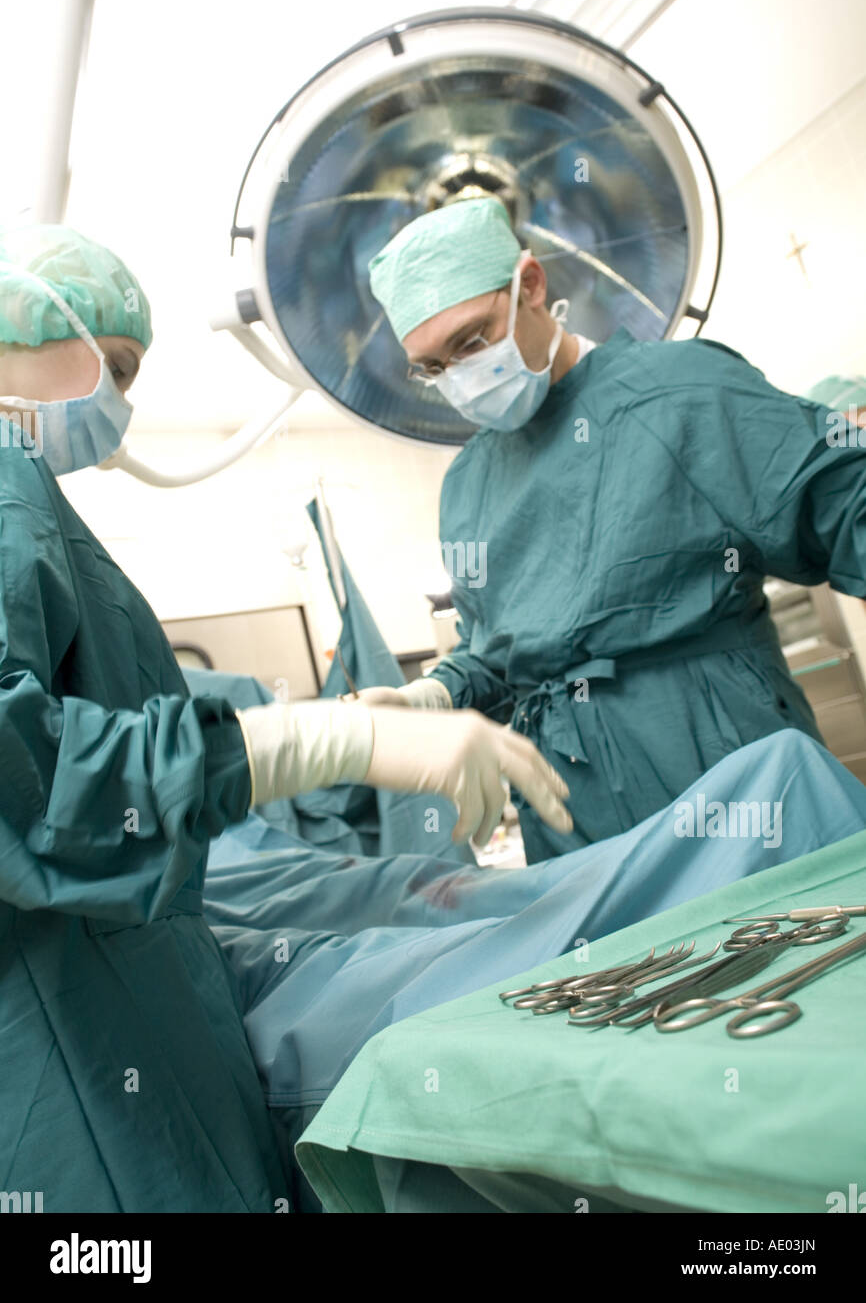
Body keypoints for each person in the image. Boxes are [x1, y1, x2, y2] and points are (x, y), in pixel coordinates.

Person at [0, 222, 572, 1212]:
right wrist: (322, 737)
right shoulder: (11, 497)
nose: (121, 405)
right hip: (69, 1050)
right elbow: (28, 781)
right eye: (117, 367)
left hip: (140, 1000)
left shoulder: (38, 510)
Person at [360, 194, 866, 862]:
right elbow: (493, 651)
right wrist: (430, 695)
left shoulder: (681, 392)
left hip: (730, 786)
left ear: (531, 286)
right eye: (433, 367)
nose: (461, 377)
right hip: (573, 826)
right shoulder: (467, 485)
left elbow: (842, 502)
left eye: (473, 340)